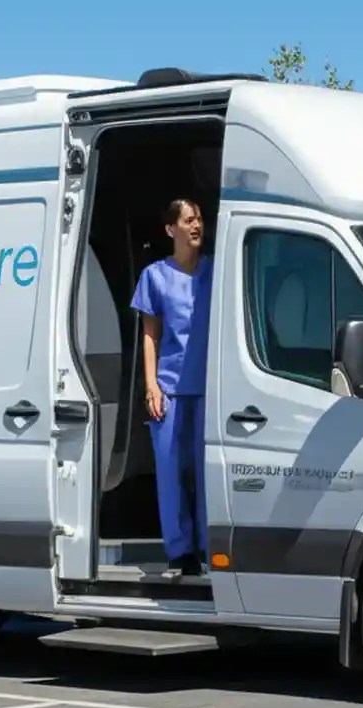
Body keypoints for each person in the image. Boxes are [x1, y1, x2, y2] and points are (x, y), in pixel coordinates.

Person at [130, 199, 213, 576]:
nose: (196, 225)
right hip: (171, 386)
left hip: (210, 388)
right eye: (189, 220)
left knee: (205, 471)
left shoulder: (215, 270)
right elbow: (150, 335)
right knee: (171, 471)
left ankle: (209, 546)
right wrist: (151, 386)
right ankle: (180, 551)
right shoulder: (155, 275)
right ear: (171, 229)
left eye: (199, 219)